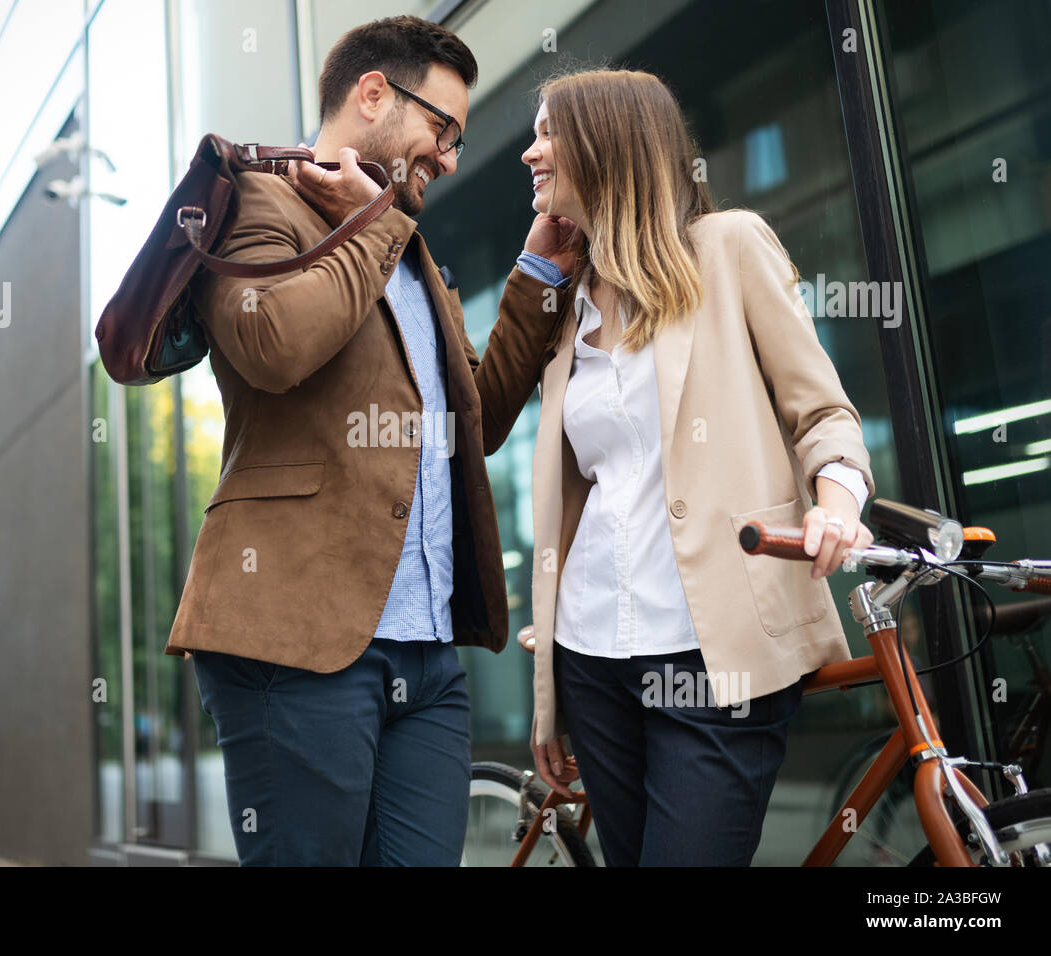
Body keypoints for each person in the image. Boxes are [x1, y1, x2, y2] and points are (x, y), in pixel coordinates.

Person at [163, 16, 567, 865]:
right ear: (374, 94)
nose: (451, 158)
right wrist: (380, 226)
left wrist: (534, 276)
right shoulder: (251, 201)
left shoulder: (407, 250)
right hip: (295, 644)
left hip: (425, 659)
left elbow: (478, 421)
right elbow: (273, 344)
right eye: (443, 130)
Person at [506, 68, 876, 866]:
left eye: (546, 132)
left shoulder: (727, 248)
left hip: (717, 659)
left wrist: (836, 503)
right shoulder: (571, 306)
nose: (529, 151)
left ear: (608, 142)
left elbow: (824, 415)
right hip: (591, 658)